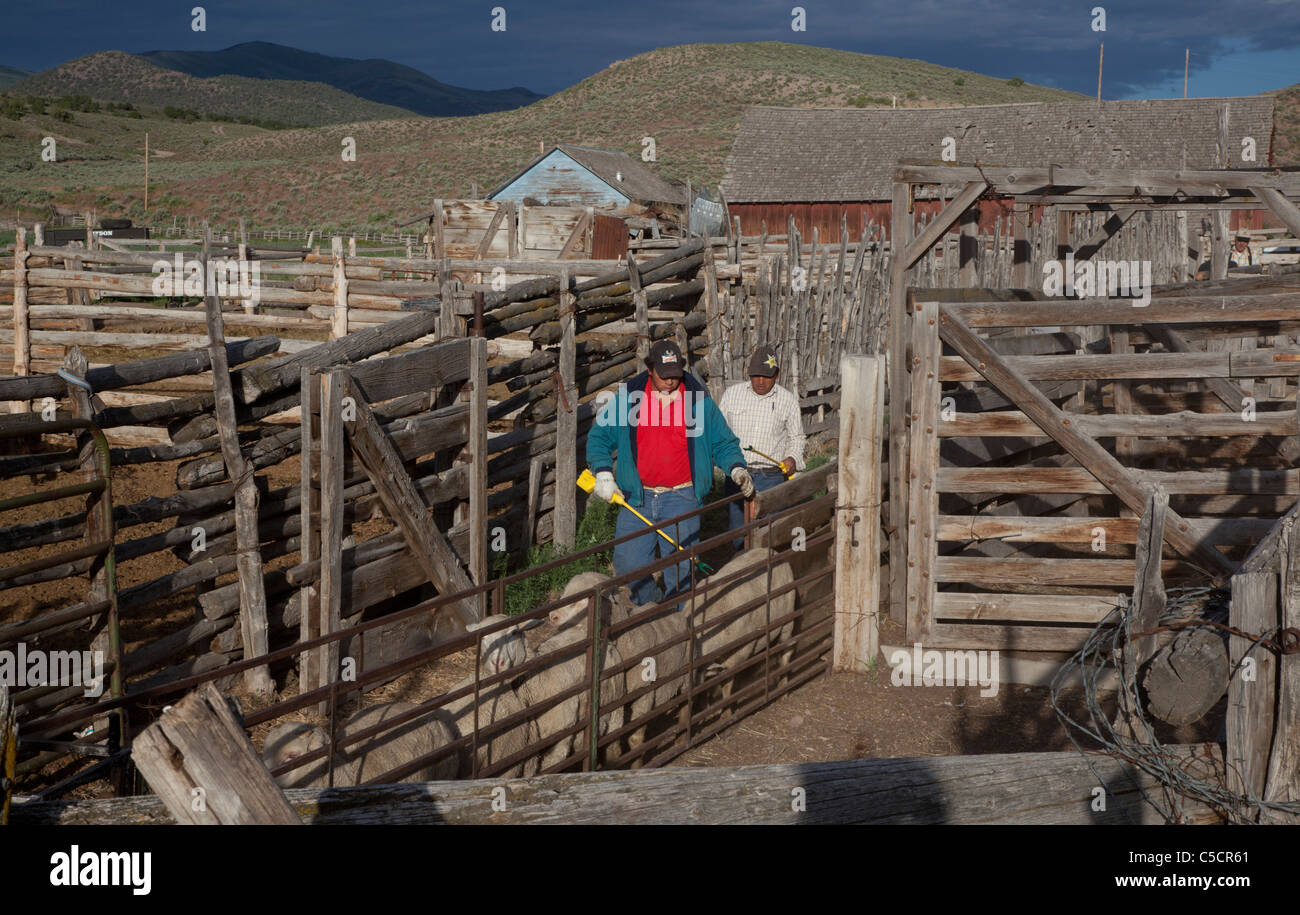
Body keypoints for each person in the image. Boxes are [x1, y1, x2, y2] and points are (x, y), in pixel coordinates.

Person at [586, 340, 753, 605]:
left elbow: (722, 441)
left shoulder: (698, 402)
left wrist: (736, 467)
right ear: (650, 369)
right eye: (665, 375)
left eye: (676, 374)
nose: (671, 381)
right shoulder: (629, 399)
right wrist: (604, 473)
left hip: (681, 497)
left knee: (680, 570)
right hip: (637, 499)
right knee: (629, 564)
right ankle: (653, 608)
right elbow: (599, 438)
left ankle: (680, 624)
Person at [718, 344, 807, 550]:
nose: (760, 381)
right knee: (739, 533)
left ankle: (771, 574)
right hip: (738, 476)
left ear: (777, 375)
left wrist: (792, 458)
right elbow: (720, 435)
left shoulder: (787, 400)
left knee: (770, 533)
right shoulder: (732, 396)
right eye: (756, 375)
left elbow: (797, 437)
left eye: (766, 376)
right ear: (748, 373)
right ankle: (742, 574)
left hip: (771, 476)